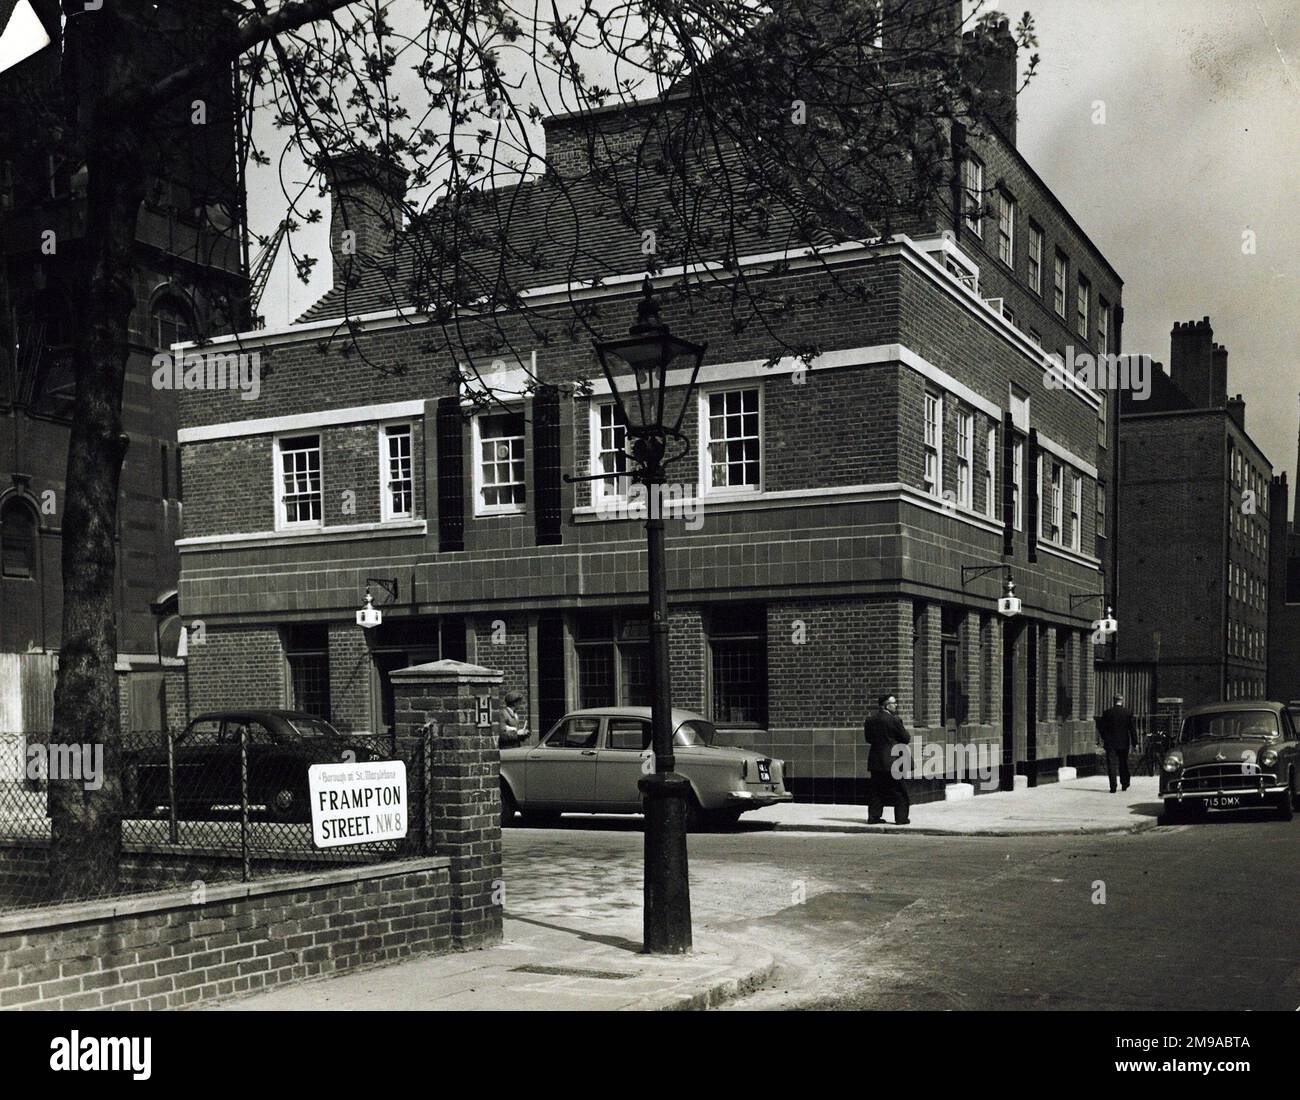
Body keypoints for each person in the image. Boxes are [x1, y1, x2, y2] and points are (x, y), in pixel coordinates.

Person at [864, 692, 911, 825]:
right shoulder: (894, 720)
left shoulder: (870, 720)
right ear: (886, 705)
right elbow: (906, 738)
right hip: (893, 760)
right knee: (899, 791)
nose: (896, 705)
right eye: (893, 703)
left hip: (876, 760)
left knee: (876, 790)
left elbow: (868, 739)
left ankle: (874, 817)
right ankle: (901, 818)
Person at [1096, 693, 1138, 793]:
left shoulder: (1107, 713)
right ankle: (1124, 783)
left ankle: (1113, 786)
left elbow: (1101, 728)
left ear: (1113, 700)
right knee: (1123, 763)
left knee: (1111, 763)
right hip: (1124, 742)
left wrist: (1104, 737)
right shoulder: (1128, 713)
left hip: (1110, 742)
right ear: (1122, 701)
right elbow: (1132, 729)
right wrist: (1134, 743)